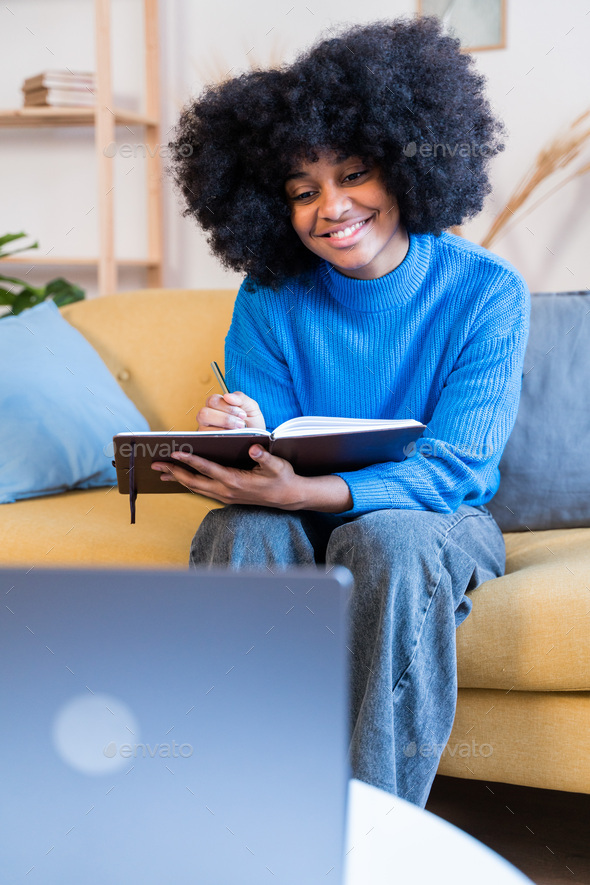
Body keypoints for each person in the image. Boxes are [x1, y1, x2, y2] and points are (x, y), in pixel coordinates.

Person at [159, 16, 530, 808]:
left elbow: (452, 471)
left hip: (434, 520)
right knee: (237, 527)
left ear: (403, 167)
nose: (332, 207)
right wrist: (238, 440)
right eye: (301, 191)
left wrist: (310, 494)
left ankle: (371, 833)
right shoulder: (270, 293)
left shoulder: (487, 291)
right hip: (305, 511)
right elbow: (276, 448)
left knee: (385, 534)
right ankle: (231, 810)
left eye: (353, 173)